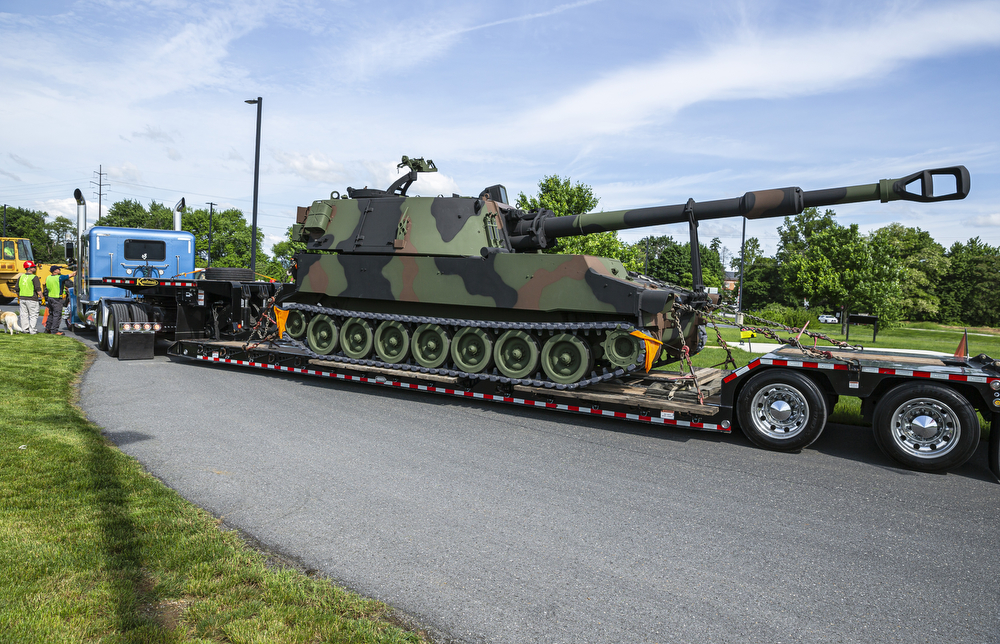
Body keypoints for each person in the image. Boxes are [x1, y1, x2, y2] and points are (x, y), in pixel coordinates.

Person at [17, 261, 42, 334]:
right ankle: (32, 330)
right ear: (30, 269)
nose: (35, 268)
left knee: (23, 314)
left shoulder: (21, 277)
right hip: (32, 299)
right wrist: (42, 297)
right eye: (34, 267)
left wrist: (19, 297)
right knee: (33, 314)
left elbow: (17, 289)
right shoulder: (34, 277)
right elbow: (38, 289)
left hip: (22, 298)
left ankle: (25, 329)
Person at [44, 265, 68, 335]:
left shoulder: (48, 277)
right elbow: (71, 275)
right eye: (58, 269)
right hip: (57, 298)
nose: (60, 270)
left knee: (51, 314)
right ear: (55, 271)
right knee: (57, 315)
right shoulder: (59, 277)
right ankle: (54, 331)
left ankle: (48, 328)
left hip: (50, 297)